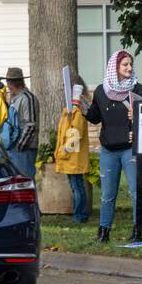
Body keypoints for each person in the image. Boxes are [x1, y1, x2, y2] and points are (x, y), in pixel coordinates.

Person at [86, 50, 142, 243]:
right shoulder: (101, 91)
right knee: (107, 194)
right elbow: (95, 118)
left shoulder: (137, 90)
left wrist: (137, 117)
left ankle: (138, 231)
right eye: (125, 65)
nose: (129, 68)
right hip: (108, 150)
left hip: (130, 148)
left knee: (135, 192)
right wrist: (83, 109)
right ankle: (103, 232)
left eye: (131, 64)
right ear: (115, 68)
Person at [54, 81, 91, 224]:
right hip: (70, 158)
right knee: (76, 187)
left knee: (77, 188)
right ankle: (79, 215)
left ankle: (79, 216)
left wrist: (62, 153)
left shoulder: (77, 114)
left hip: (73, 158)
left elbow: (74, 137)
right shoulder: (69, 113)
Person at [5, 67, 39, 179]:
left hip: (25, 149)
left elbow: (30, 124)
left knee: (25, 180)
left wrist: (20, 146)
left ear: (11, 83)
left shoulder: (27, 98)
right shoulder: (15, 98)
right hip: (15, 148)